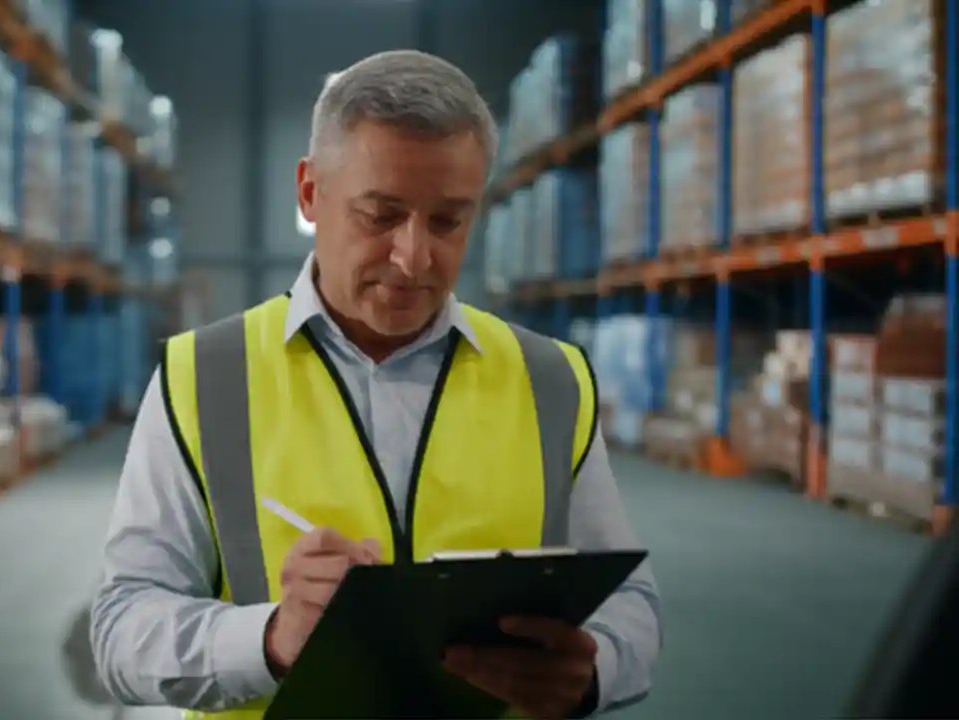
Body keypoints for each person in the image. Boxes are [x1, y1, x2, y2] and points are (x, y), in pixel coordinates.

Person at [91, 49, 661, 719]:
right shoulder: (204, 377)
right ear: (309, 193)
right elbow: (123, 628)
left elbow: (631, 605)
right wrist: (272, 638)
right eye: (380, 215)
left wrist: (592, 673)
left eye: (448, 220)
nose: (414, 256)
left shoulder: (549, 380)